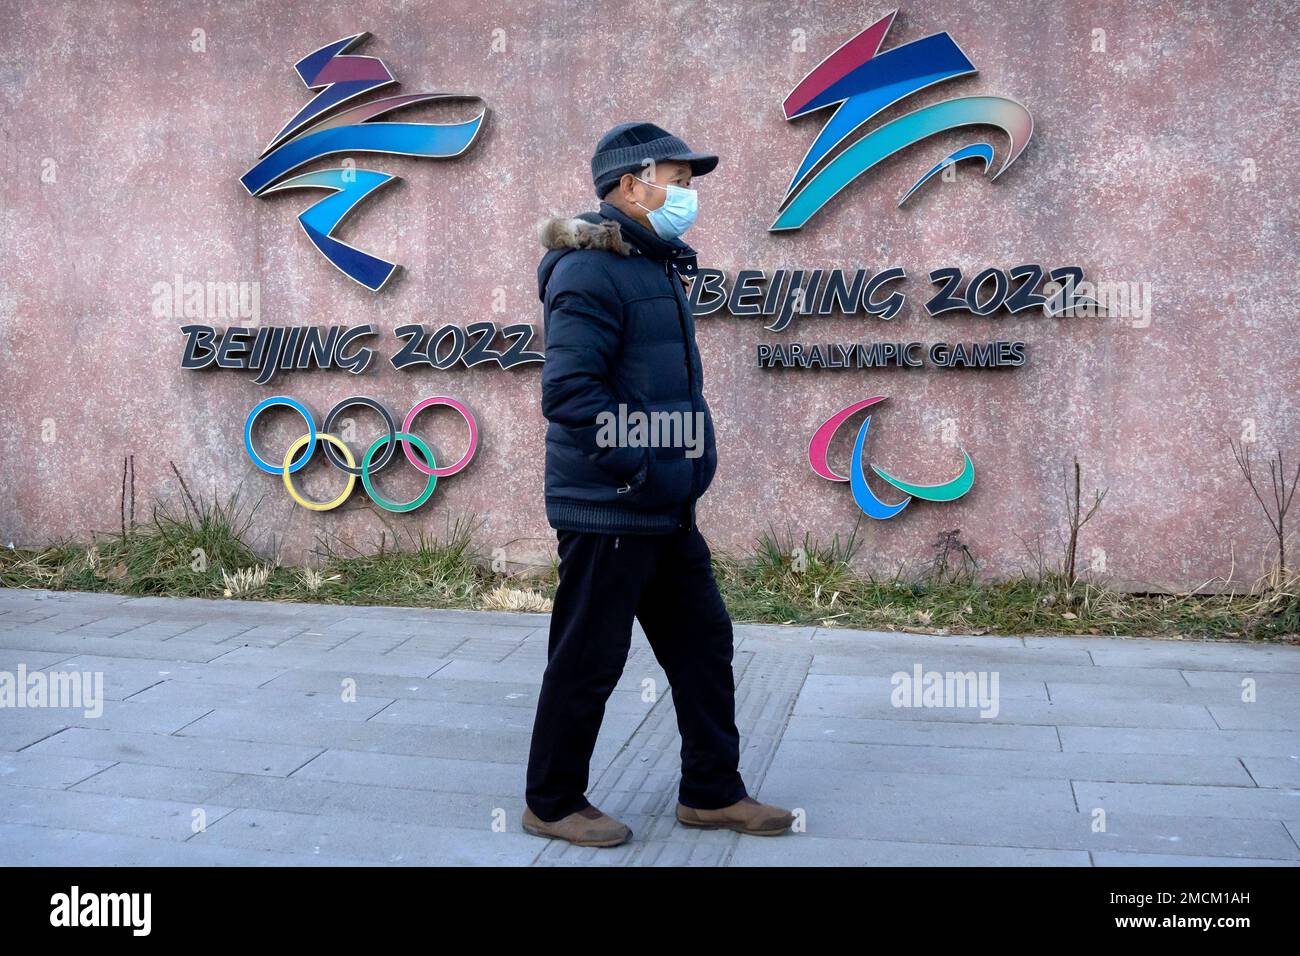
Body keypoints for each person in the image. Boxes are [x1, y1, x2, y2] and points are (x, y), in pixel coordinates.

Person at [522, 122, 795, 847]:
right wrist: (642, 466)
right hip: (609, 505)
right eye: (675, 178)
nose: (687, 193)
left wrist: (674, 475)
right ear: (630, 185)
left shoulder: (655, 266)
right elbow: (572, 394)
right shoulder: (589, 270)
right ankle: (551, 801)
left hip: (665, 507)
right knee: (588, 658)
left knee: (704, 645)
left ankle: (711, 791)